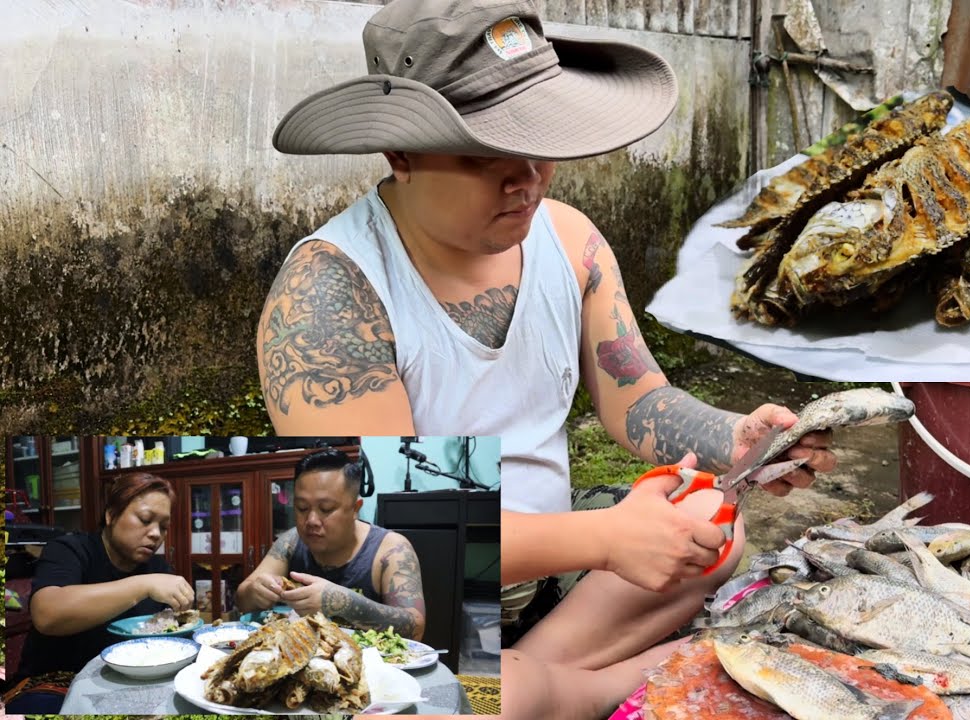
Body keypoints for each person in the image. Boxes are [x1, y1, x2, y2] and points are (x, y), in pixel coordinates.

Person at [257, 1, 836, 717]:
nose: (527, 179)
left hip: (555, 553)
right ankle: (561, 686)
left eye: (538, 144)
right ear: (400, 155)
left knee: (713, 523)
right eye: (485, 155)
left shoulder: (569, 240)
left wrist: (736, 440)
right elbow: (401, 532)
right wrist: (606, 537)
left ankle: (538, 675)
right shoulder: (329, 297)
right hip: (439, 584)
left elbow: (637, 398)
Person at [5, 472, 195, 714]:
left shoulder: (158, 568)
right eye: (145, 519)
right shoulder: (69, 549)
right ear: (111, 515)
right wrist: (142, 586)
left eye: (164, 526)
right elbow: (47, 614)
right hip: (53, 685)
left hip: (128, 685)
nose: (156, 533)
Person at [235, 447, 427, 643]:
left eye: (326, 509)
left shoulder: (391, 550)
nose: (311, 520)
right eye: (302, 508)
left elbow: (415, 628)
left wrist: (343, 603)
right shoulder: (292, 541)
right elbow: (242, 597)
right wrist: (255, 592)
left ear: (355, 509)